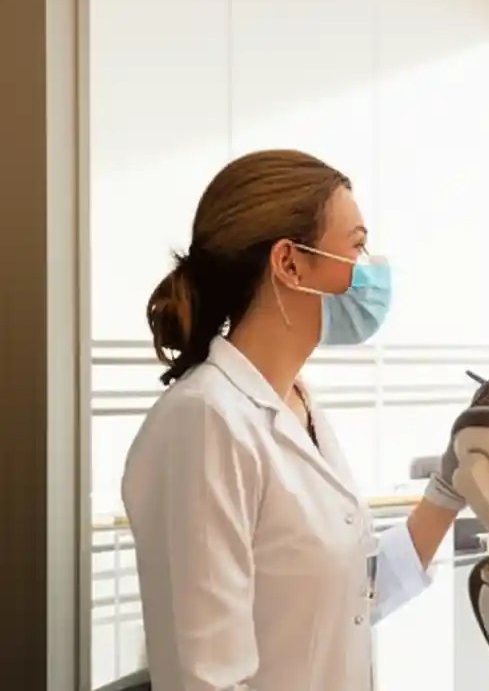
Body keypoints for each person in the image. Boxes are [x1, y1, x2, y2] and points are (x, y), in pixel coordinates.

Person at [121, 150, 468, 691]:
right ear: (289, 262)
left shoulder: (296, 404)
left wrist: (447, 491)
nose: (370, 269)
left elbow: (350, 597)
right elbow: (208, 678)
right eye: (356, 246)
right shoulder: (207, 422)